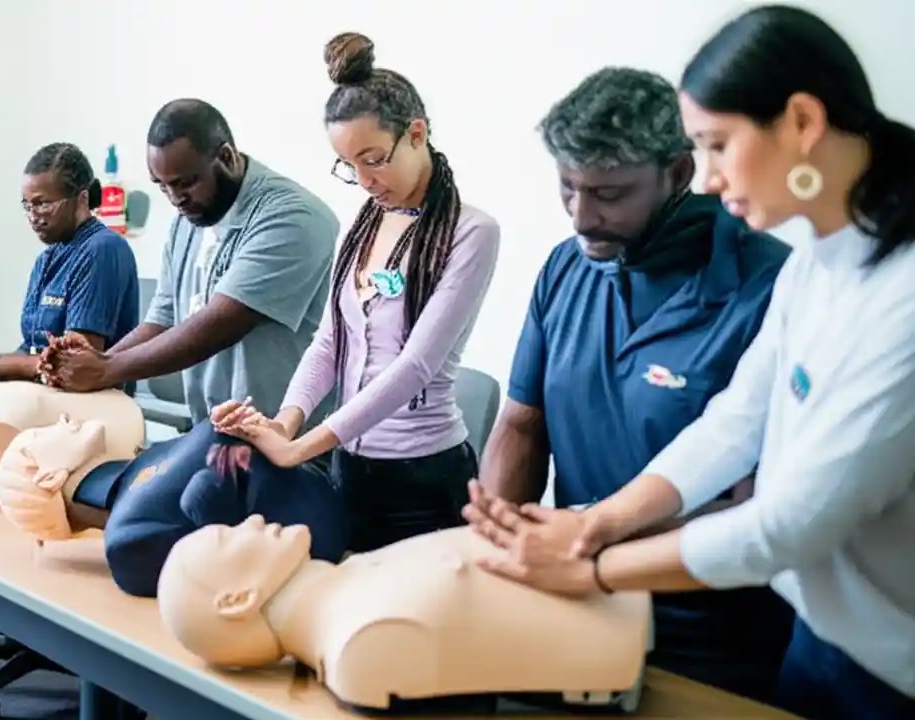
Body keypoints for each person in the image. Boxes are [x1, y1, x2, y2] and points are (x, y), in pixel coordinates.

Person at [469, 7, 915, 719]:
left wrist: (591, 566)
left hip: (891, 673)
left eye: (715, 146)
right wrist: (596, 524)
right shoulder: (826, 264)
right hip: (819, 644)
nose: (704, 181)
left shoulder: (896, 298)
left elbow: (787, 525)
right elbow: (731, 423)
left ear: (801, 122)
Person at [473, 66, 795, 700]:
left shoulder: (768, 288)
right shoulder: (567, 268)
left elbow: (754, 501)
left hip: (709, 631)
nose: (580, 216)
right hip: (573, 598)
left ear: (678, 173)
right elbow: (521, 422)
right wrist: (499, 539)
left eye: (609, 194)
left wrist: (590, 540)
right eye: (567, 188)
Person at [213, 33, 500, 554]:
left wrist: (304, 448)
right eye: (349, 165)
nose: (364, 180)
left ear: (417, 134)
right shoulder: (361, 228)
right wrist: (285, 422)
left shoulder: (471, 232)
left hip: (424, 479)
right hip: (351, 471)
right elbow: (328, 343)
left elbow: (415, 365)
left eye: (375, 159)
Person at [44, 99, 339, 427]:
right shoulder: (188, 219)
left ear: (226, 157)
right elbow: (163, 318)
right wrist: (93, 363)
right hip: (216, 433)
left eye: (185, 182)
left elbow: (220, 325)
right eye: (162, 185)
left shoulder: (293, 217)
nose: (174, 197)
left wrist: (104, 370)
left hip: (285, 441)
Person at [0, 142, 139, 381]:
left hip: (91, 400)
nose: (33, 216)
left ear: (81, 200)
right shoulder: (47, 259)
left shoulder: (101, 250)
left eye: (42, 204)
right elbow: (31, 349)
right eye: (27, 205)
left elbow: (76, 365)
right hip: (44, 389)